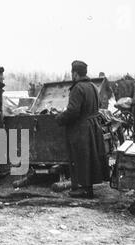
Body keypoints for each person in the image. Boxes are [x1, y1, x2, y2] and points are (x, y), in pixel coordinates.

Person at [56, 61, 109, 199]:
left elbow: (73, 111)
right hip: (93, 126)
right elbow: (98, 105)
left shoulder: (77, 88)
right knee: (90, 158)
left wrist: (59, 118)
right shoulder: (93, 86)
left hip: (80, 129)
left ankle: (82, 189)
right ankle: (87, 188)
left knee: (80, 158)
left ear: (75, 73)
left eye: (72, 73)